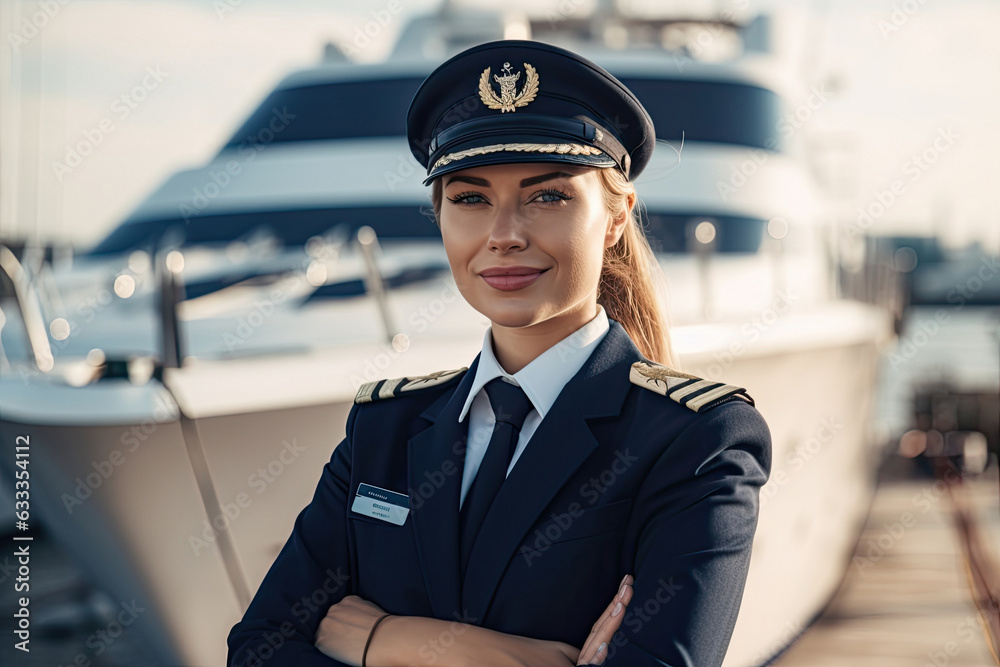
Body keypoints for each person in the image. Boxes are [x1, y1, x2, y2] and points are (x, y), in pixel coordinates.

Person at [227, 39, 772, 667]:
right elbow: (257, 649)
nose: (504, 235)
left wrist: (385, 642)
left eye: (548, 196)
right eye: (470, 199)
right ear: (439, 215)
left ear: (617, 217)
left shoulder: (697, 439)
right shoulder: (384, 428)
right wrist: (493, 656)